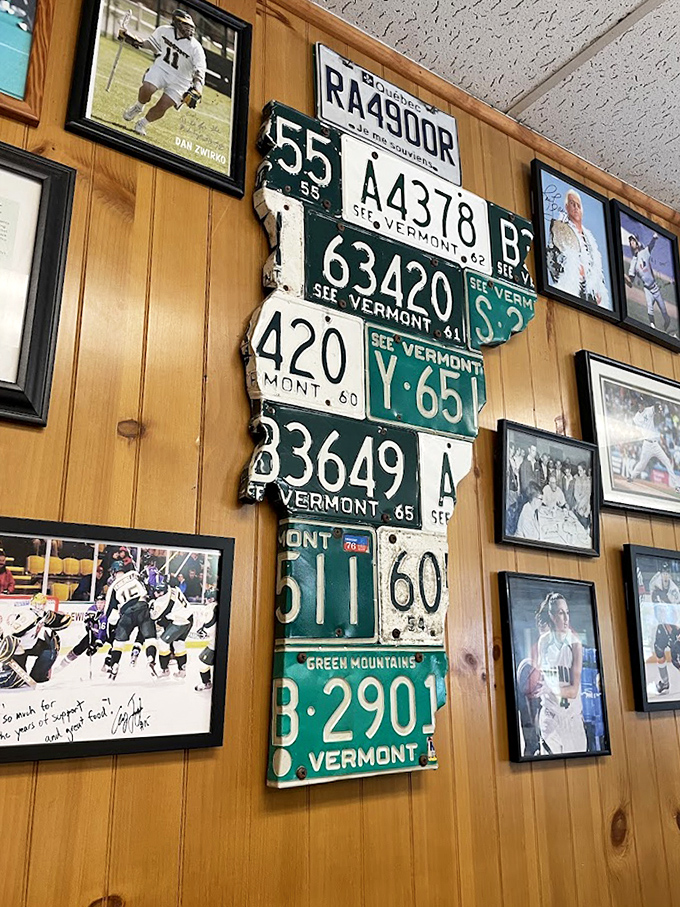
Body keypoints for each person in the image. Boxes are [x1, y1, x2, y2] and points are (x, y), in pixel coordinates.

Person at [118, 9, 206, 138]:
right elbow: (151, 45)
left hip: (181, 80)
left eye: (190, 26)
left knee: (163, 105)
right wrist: (132, 39)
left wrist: (197, 90)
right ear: (176, 23)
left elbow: (200, 71)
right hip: (162, 68)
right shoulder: (164, 31)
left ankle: (142, 123)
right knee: (147, 88)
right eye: (184, 24)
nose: (188, 28)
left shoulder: (196, 48)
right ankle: (138, 107)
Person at [533, 592, 587, 754]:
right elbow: (540, 679)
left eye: (567, 612)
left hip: (572, 719)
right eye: (561, 613)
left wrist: (551, 689)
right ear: (551, 615)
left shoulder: (575, 644)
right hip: (551, 719)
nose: (566, 618)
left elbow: (573, 691)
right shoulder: (544, 641)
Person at [547, 188, 610, 308]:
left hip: (591, 295)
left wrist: (598, 289)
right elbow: (551, 259)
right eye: (572, 203)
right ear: (566, 207)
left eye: (578, 205)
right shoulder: (560, 229)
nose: (576, 207)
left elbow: (597, 268)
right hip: (571, 288)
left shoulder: (590, 239)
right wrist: (572, 271)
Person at [104, 561, 157, 679]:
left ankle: (114, 664)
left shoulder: (112, 587)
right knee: (150, 638)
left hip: (127, 612)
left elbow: (108, 610)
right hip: (142, 606)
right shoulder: (134, 574)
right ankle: (150, 659)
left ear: (113, 572)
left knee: (118, 643)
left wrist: (108, 619)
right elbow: (149, 588)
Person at [628, 399, 680, 491]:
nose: (642, 405)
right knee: (642, 464)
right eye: (640, 404)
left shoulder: (648, 410)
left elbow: (656, 407)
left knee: (667, 461)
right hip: (646, 445)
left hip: (655, 445)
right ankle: (631, 476)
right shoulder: (636, 417)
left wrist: (659, 409)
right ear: (638, 405)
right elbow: (633, 424)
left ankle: (676, 486)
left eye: (643, 404)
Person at [626, 232, 671, 332]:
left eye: (632, 241)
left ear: (637, 242)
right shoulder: (633, 263)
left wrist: (654, 238)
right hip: (647, 289)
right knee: (649, 307)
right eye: (630, 242)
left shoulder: (644, 253)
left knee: (664, 311)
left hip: (655, 287)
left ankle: (667, 321)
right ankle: (652, 327)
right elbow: (631, 281)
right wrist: (625, 278)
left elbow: (650, 246)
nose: (631, 243)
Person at [149, 579, 194, 678]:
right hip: (190, 618)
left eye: (158, 592)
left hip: (180, 621)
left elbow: (153, 616)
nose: (156, 594)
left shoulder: (162, 601)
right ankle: (182, 671)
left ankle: (165, 669)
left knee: (162, 642)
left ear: (162, 593)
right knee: (179, 644)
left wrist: (151, 605)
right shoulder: (173, 589)